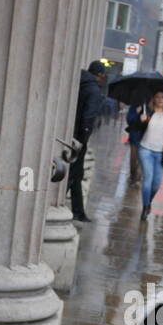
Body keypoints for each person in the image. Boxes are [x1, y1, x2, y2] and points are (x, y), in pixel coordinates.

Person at [68, 60, 106, 222]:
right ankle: (77, 211)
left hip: (69, 132)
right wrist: (83, 140)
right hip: (78, 138)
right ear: (99, 76)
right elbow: (88, 117)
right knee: (74, 173)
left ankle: (79, 211)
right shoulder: (94, 91)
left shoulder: (78, 82)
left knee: (75, 173)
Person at [135, 89, 163, 221]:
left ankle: (148, 201)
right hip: (145, 149)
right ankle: (146, 206)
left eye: (162, 97)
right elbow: (135, 127)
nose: (160, 100)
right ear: (153, 99)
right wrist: (140, 120)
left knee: (156, 184)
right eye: (157, 97)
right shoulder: (147, 112)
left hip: (160, 153)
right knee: (147, 179)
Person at [125, 103, 146, 186]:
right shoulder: (134, 106)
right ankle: (133, 175)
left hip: (145, 137)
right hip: (134, 137)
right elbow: (129, 120)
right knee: (133, 159)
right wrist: (137, 113)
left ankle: (137, 177)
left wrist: (146, 118)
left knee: (141, 159)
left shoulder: (149, 107)